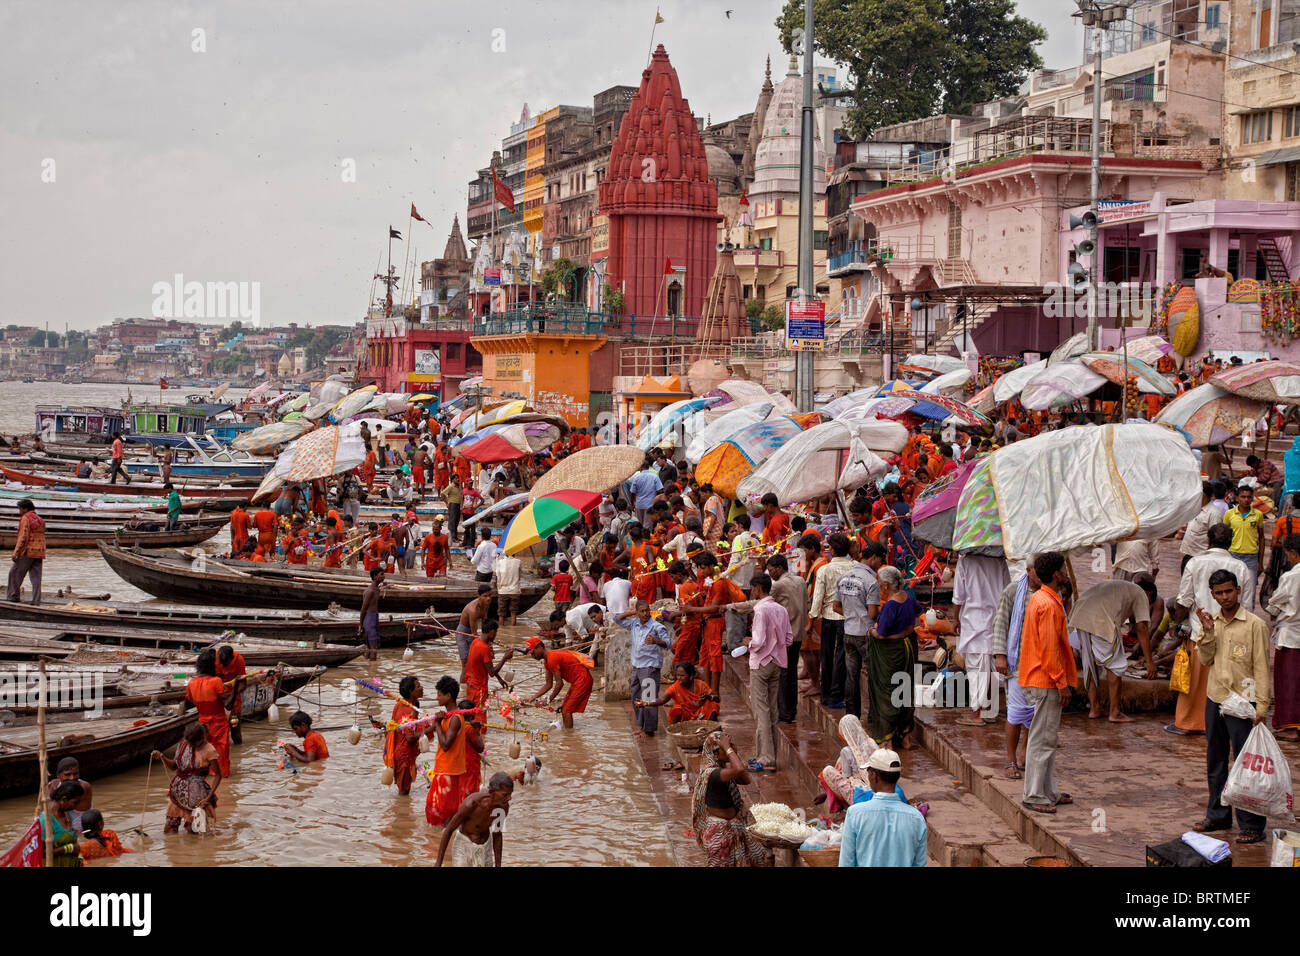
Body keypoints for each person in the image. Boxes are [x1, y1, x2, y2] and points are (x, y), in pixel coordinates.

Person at [1190, 569, 1271, 844]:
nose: (1225, 597)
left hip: (1244, 704)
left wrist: (1262, 706)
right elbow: (1205, 659)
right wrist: (1208, 633)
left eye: (1229, 591)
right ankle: (1218, 815)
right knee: (1216, 760)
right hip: (1216, 699)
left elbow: (1261, 667)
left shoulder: (1254, 625)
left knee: (1246, 764)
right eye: (1219, 593)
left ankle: (1251, 824)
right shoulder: (1211, 622)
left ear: (1237, 590)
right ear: (1212, 595)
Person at [1161, 524, 1248, 735]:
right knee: (1228, 679)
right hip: (1231, 631)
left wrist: (1176, 627)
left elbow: (1184, 600)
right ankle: (1223, 724)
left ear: (1208, 541)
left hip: (1200, 631)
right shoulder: (1241, 567)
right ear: (1231, 542)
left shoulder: (1195, 563)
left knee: (1195, 681)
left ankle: (1190, 722)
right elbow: (1246, 603)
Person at [1018, 551, 1075, 815]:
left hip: (1038, 676)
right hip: (1045, 679)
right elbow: (1050, 649)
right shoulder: (1049, 604)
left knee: (1046, 738)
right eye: (1063, 569)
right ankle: (1034, 794)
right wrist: (1061, 682)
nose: (1065, 573)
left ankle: (1047, 790)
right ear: (1056, 574)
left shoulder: (1040, 598)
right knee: (1043, 739)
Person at [1067, 578, 1155, 721]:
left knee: (1090, 664)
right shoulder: (1141, 594)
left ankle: (1094, 708)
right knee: (1115, 665)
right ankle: (1115, 712)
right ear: (1149, 594)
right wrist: (1149, 661)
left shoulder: (1125, 588)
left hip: (1081, 615)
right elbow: (1142, 628)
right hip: (1100, 617)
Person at [838, 748, 927, 867]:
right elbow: (919, 864)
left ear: (874, 776)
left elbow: (846, 862)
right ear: (898, 776)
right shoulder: (916, 818)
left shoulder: (855, 814)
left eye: (868, 772)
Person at [692, 730, 767, 867]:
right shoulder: (713, 774)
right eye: (728, 746)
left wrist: (730, 752)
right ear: (715, 753)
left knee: (758, 857)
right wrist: (727, 748)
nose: (732, 748)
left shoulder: (723, 770)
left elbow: (745, 779)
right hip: (720, 834)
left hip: (734, 828)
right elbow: (739, 770)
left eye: (732, 745)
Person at [992, 565, 1040, 780]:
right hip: (1017, 662)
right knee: (1015, 713)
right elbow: (1001, 622)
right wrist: (1000, 655)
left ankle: (1024, 754)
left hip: (1039, 664)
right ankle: (1011, 760)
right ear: (1029, 570)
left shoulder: (1049, 592)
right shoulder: (1013, 591)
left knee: (1034, 713)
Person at [951, 552, 1009, 725]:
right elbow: (1007, 590)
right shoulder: (1000, 561)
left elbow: (958, 596)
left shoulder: (965, 562)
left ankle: (977, 713)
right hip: (996, 620)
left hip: (973, 620)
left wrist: (955, 618)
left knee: (977, 669)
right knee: (990, 667)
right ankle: (988, 710)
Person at [745, 572, 792, 772]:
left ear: (757, 588)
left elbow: (758, 640)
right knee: (771, 709)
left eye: (753, 589)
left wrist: (748, 643)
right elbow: (789, 638)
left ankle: (766, 758)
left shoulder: (761, 611)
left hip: (761, 663)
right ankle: (766, 755)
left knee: (762, 710)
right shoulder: (781, 609)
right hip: (777, 662)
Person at [426, 676, 483, 827]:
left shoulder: (455, 719)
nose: (437, 698)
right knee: (435, 809)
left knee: (446, 813)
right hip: (443, 769)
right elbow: (427, 731)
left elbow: (445, 745)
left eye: (439, 695)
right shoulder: (447, 717)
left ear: (448, 696)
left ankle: (447, 843)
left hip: (450, 771)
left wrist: (437, 724)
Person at [836, 541, 884, 720]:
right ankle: (873, 715)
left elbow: (835, 606)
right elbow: (872, 613)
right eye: (880, 560)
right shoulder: (871, 581)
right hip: (866, 634)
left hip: (848, 632)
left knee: (852, 676)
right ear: (873, 558)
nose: (880, 565)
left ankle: (852, 715)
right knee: (873, 676)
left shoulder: (844, 577)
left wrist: (851, 614)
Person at [809, 532, 855, 709]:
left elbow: (817, 598)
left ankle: (826, 695)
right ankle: (836, 695)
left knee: (827, 656)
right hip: (847, 616)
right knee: (841, 657)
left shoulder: (824, 569)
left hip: (828, 617)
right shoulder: (854, 567)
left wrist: (811, 620)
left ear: (833, 550)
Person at [617, 598, 674, 738]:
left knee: (648, 698)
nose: (645, 613)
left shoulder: (656, 627)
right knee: (636, 696)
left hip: (650, 666)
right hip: (637, 665)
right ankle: (642, 725)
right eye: (642, 611)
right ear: (637, 613)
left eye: (647, 610)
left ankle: (648, 729)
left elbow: (668, 643)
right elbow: (617, 618)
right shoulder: (634, 623)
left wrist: (655, 641)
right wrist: (630, 612)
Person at [434, 772, 515, 867]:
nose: (509, 798)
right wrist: (438, 863)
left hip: (485, 847)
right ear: (492, 792)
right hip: (463, 845)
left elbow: (497, 835)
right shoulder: (471, 804)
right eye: (505, 795)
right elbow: (449, 830)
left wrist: (498, 865)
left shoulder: (503, 808)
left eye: (510, 794)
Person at [153, 722, 223, 834]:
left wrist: (208, 798)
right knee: (169, 829)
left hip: (197, 798)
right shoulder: (183, 743)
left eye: (193, 744)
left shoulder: (209, 750)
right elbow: (173, 766)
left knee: (193, 833)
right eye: (188, 742)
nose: (190, 746)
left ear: (202, 738)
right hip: (177, 794)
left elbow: (219, 776)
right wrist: (162, 756)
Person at [764, 554, 808, 723]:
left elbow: (766, 605)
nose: (770, 575)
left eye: (771, 571)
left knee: (784, 675)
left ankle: (785, 712)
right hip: (798, 634)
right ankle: (790, 711)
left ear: (779, 569)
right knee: (790, 674)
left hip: (784, 635)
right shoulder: (800, 581)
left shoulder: (778, 585)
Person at [1265, 533, 1300, 742]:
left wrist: (1272, 609)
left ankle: (1290, 725)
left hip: (1291, 634)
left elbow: (1274, 603)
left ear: (1294, 554)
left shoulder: (1292, 576)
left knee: (1288, 682)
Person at [523, 636, 594, 729]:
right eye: (530, 654)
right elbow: (548, 684)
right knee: (565, 710)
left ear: (540, 647)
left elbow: (559, 683)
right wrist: (532, 698)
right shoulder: (547, 661)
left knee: (566, 711)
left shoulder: (552, 658)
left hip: (582, 680)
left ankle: (569, 738)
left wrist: (548, 700)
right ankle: (569, 735)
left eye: (533, 652)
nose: (533, 656)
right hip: (578, 681)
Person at [186, 648, 231, 777]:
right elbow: (228, 705)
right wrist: (235, 690)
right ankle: (221, 780)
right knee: (220, 754)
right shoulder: (216, 681)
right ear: (213, 665)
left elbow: (188, 703)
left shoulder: (191, 683)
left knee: (203, 752)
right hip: (219, 724)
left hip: (202, 725)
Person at [637, 661, 719, 726]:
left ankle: (706, 726)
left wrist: (709, 697)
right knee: (676, 710)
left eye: (682, 676)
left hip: (701, 714)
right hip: (686, 714)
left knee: (712, 706)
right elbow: (662, 700)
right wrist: (646, 703)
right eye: (677, 675)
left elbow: (717, 698)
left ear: (691, 676)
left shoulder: (700, 684)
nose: (679, 678)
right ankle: (678, 729)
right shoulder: (675, 687)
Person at [1223, 484, 1264, 610]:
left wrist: (1260, 562)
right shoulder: (1229, 514)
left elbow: (1261, 538)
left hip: (1251, 557)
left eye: (1249, 497)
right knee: (1232, 589)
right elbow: (1224, 535)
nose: (1246, 499)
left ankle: (1249, 619)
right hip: (1233, 555)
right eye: (1243, 497)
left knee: (1250, 591)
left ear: (1252, 498)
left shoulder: (1258, 515)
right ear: (1237, 498)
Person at [386, 676, 425, 796]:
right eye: (418, 686)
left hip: (399, 751)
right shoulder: (408, 711)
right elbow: (409, 738)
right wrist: (429, 729)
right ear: (411, 691)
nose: (422, 688)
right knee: (403, 792)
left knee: (404, 788)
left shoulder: (401, 704)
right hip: (404, 755)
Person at [464, 618, 514, 708]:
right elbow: (491, 672)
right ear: (491, 632)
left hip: (470, 687)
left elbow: (487, 666)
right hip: (478, 690)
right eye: (495, 632)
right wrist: (504, 658)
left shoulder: (476, 641)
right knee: (479, 719)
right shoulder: (484, 648)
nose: (495, 636)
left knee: (470, 716)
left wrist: (499, 679)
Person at [6, 499, 45, 605]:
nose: (19, 511)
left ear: (25, 509)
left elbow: (23, 537)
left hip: (28, 550)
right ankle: (36, 600)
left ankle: (13, 597)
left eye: (20, 509)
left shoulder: (25, 518)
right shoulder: (39, 519)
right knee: (36, 577)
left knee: (14, 573)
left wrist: (16, 552)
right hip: (40, 551)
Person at [455, 585, 494, 682]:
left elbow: (486, 626)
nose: (488, 598)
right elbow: (474, 633)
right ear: (479, 596)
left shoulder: (486, 604)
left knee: (474, 663)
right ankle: (462, 689)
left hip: (473, 633)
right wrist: (484, 648)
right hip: (463, 634)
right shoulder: (473, 609)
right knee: (465, 664)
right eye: (485, 596)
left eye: (490, 595)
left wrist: (490, 645)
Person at [42, 782, 85, 866]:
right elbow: (42, 853)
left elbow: (73, 838)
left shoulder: (67, 813)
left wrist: (79, 857)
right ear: (64, 800)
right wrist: (69, 849)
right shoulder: (45, 820)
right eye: (75, 802)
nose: (76, 806)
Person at [47, 757, 93, 834]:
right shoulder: (54, 784)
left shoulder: (84, 788)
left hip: (80, 828)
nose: (72, 778)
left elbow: (65, 808)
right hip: (62, 825)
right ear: (58, 775)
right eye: (67, 774)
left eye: (75, 774)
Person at [359, 566, 384, 661]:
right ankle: (373, 669)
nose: (383, 576)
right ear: (375, 576)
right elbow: (363, 609)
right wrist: (360, 625)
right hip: (369, 619)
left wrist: (387, 586)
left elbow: (380, 588)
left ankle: (368, 666)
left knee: (370, 646)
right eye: (381, 574)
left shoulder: (376, 589)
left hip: (373, 617)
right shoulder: (370, 591)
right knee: (373, 647)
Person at [493, 548, 522, 626]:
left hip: (503, 591)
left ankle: (501, 629)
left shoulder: (499, 562)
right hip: (515, 590)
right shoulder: (518, 562)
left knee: (501, 613)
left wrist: (499, 589)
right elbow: (519, 577)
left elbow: (498, 577)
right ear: (514, 553)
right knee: (513, 612)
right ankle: (513, 628)